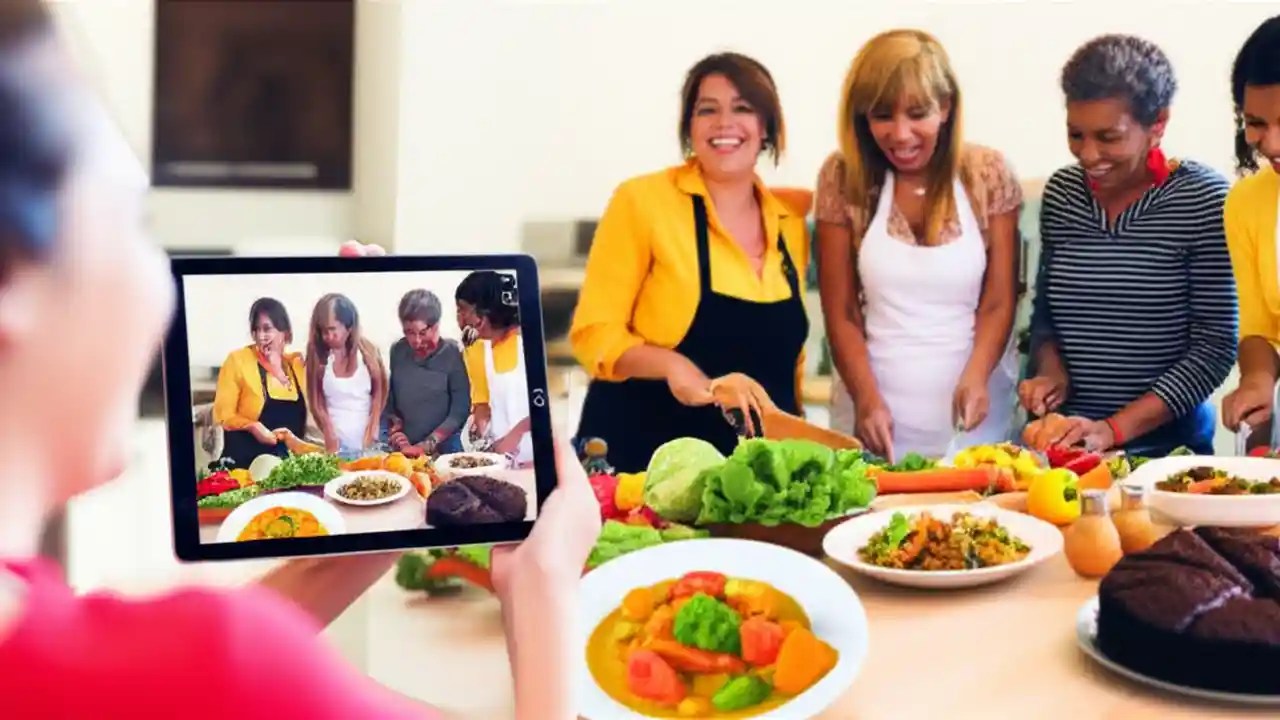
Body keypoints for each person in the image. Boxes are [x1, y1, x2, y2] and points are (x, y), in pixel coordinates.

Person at [0, 7, 599, 717]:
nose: (159, 288)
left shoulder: (42, 625)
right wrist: (546, 593)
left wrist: (377, 528)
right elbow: (217, 677)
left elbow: (185, 693)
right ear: (12, 284)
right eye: (135, 219)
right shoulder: (226, 657)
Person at [570, 52, 809, 473]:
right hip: (640, 458)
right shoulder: (643, 202)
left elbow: (791, 367)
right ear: (689, 127)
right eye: (707, 110)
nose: (724, 123)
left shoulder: (789, 224)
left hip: (748, 473)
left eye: (743, 108)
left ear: (766, 128)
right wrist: (672, 366)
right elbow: (595, 333)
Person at [1018, 34, 1238, 456]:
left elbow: (1214, 348)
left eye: (1109, 137)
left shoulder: (1202, 199)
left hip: (1168, 454)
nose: (1088, 153)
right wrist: (1051, 375)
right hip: (1067, 447)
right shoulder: (1064, 194)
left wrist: (1112, 430)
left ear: (1158, 124)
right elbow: (1047, 317)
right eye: (1075, 134)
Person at [814, 29, 1022, 460]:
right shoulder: (842, 177)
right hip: (875, 419)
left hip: (975, 419)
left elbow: (999, 301)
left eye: (917, 113)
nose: (900, 134)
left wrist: (977, 375)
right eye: (882, 115)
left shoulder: (987, 173)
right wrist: (867, 399)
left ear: (946, 107)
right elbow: (843, 312)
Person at [1220, 15, 1280, 447]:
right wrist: (1257, 382)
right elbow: (1260, 327)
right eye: (1256, 122)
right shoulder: (1247, 202)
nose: (1272, 143)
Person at [212, 297, 311, 468]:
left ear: (285, 333)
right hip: (243, 467)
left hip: (289, 468)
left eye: (267, 329)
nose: (261, 336)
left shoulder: (296, 366)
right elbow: (223, 416)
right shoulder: (238, 361)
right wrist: (252, 426)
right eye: (256, 330)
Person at [383, 289, 470, 459]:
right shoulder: (398, 351)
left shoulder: (452, 353)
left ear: (436, 326)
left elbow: (460, 410)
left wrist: (428, 444)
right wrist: (396, 430)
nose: (416, 341)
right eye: (409, 332)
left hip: (446, 449)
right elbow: (392, 400)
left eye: (423, 332)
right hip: (407, 449)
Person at [457, 271, 533, 464]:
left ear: (482, 314)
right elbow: (483, 405)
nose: (460, 318)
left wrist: (517, 433)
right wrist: (479, 431)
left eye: (462, 309)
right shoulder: (477, 348)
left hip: (536, 457)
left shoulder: (531, 343)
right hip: (503, 460)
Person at [305, 293, 387, 456]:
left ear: (349, 327)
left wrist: (373, 428)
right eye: (323, 331)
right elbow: (316, 400)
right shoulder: (317, 354)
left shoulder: (369, 351)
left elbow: (380, 392)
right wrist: (328, 431)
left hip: (368, 447)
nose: (327, 337)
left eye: (332, 330)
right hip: (333, 447)